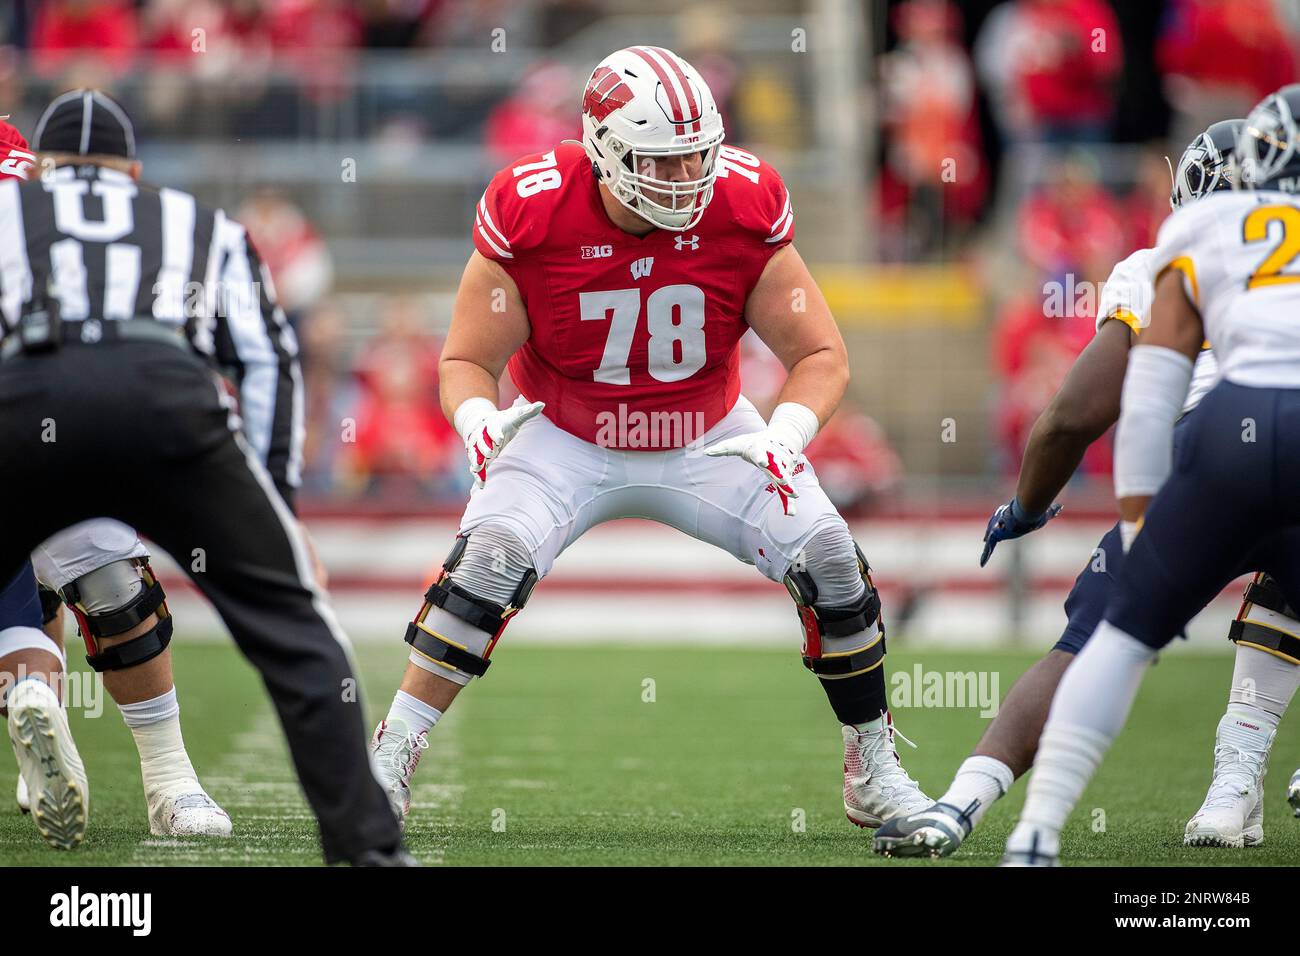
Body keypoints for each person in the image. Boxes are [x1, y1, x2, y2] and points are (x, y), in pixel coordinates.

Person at [369, 46, 930, 830]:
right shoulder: (534, 207)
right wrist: (477, 419)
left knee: (834, 560)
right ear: (604, 149)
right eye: (663, 163)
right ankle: (389, 759)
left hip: (708, 433)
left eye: (697, 156)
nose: (688, 179)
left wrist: (789, 432)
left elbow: (821, 354)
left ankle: (874, 766)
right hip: (563, 432)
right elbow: (466, 358)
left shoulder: (743, 200)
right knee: (486, 562)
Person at [0, 88, 406, 864]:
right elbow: (266, 356)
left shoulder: (11, 214)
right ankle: (367, 851)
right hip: (163, 405)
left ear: (41, 170)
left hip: (25, 403)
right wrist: (276, 513)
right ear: (135, 170)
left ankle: (76, 715)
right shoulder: (196, 223)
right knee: (292, 628)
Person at [877, 117, 1299, 858]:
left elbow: (1074, 415)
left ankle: (973, 809)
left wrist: (1033, 505)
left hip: (1204, 454)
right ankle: (1235, 784)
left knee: (1096, 642)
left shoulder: (1168, 255)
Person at [1002, 86, 1300, 865]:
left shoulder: (1189, 236)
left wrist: (1138, 514)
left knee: (1117, 634)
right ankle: (1235, 779)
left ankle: (1034, 827)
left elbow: (1133, 401)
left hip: (1212, 448)